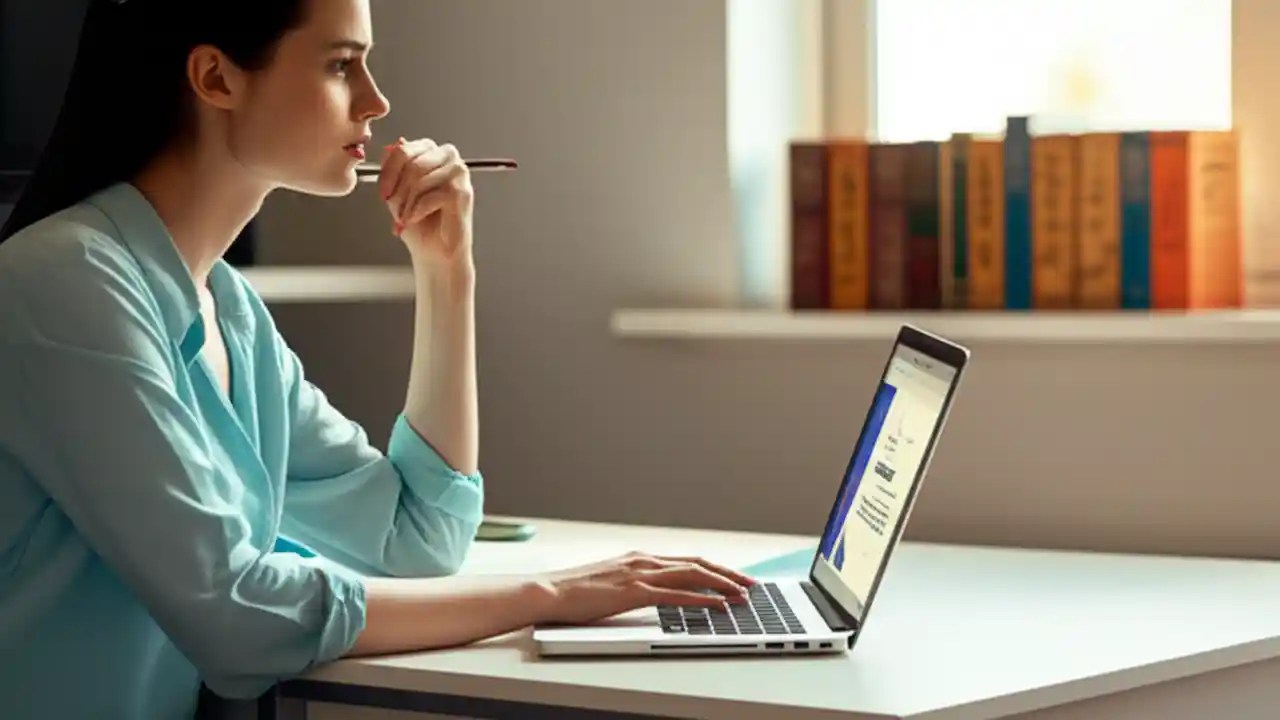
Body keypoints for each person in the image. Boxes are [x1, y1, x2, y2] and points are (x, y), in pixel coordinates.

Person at [0, 1, 754, 717]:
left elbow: (418, 536)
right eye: (341, 65)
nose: (376, 101)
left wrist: (447, 272)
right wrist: (547, 597)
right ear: (216, 78)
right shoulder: (66, 284)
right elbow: (236, 614)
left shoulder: (226, 309)